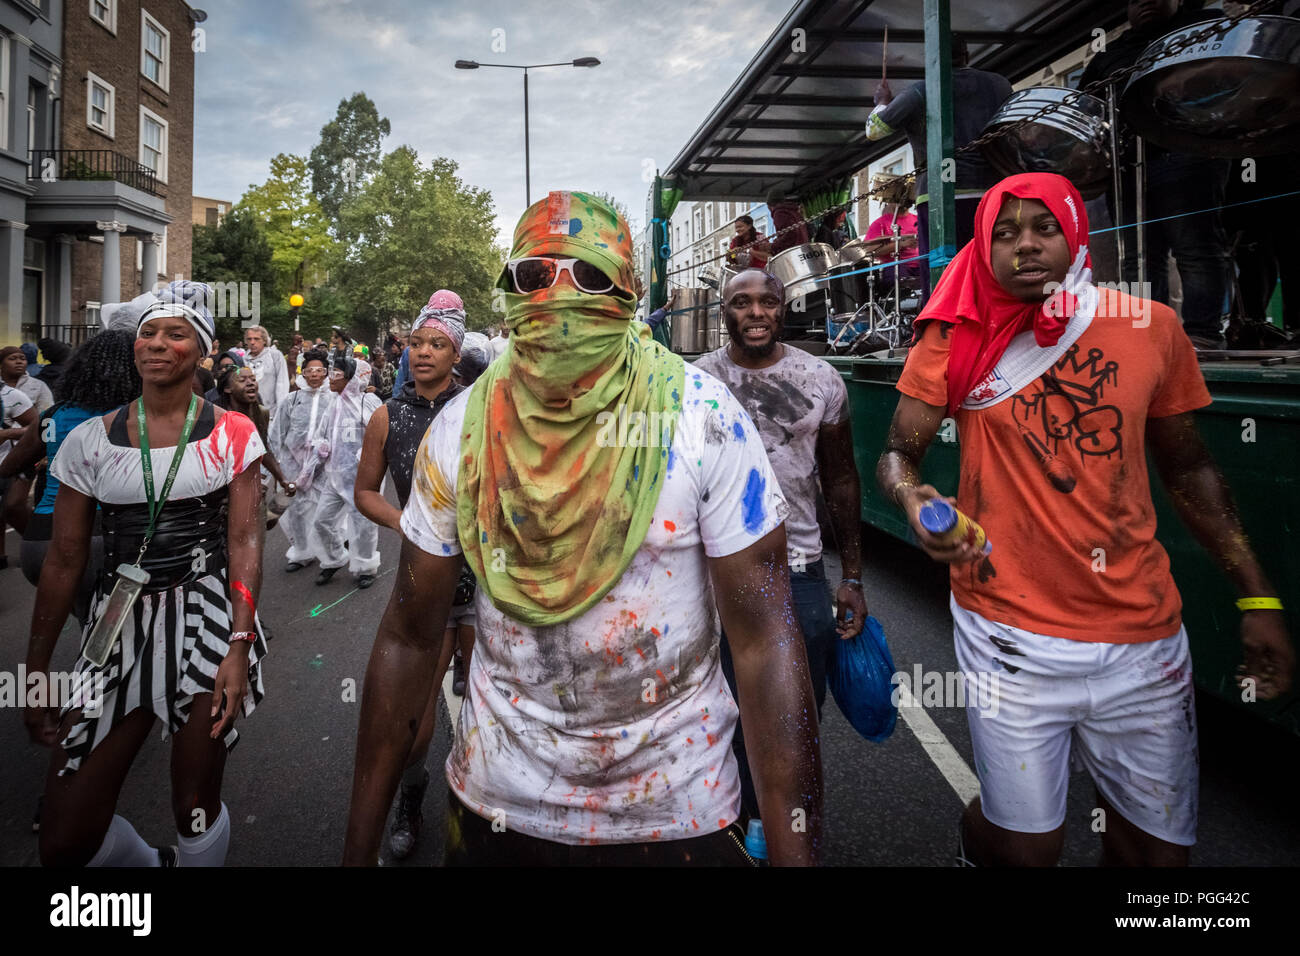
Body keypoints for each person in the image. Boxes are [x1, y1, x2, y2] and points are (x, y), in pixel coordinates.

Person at [343, 190, 823, 867]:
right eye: (535, 274)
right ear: (508, 289)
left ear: (627, 294)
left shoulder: (700, 418)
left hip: (679, 811)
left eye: (590, 274)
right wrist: (354, 850)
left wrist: (796, 850)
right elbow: (408, 636)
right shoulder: (461, 432)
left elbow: (766, 641)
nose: (560, 294)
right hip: (496, 808)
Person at [876, 172, 1294, 867]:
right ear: (984, 248)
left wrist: (1256, 595)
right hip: (1007, 629)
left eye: (1043, 228)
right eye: (1004, 234)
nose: (1026, 246)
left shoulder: (1150, 327)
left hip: (1144, 637)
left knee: (1155, 853)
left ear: (1075, 232)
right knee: (1025, 845)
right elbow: (896, 455)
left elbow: (1190, 470)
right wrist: (913, 497)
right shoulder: (956, 335)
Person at [25, 288, 269, 867]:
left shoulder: (231, 433)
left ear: (203, 353)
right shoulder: (89, 442)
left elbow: (243, 541)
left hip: (208, 619)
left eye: (176, 334)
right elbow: (64, 560)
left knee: (194, 801)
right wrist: (35, 671)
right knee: (64, 840)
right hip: (117, 622)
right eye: (148, 333)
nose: (158, 343)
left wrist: (239, 642)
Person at [695, 268, 867, 820]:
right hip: (714, 570)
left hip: (798, 567)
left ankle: (785, 824)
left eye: (767, 301)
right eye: (741, 303)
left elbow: (841, 479)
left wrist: (854, 578)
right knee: (723, 707)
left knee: (797, 709)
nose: (756, 313)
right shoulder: (697, 383)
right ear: (723, 312)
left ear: (782, 308)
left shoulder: (821, 380)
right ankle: (738, 821)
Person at [354, 294, 467, 860]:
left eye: (436, 344)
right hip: (425, 586)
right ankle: (411, 798)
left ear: (456, 353)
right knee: (414, 729)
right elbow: (364, 493)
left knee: (497, 712)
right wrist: (412, 524)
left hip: (489, 587)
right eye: (417, 343)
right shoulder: (386, 415)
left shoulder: (477, 411)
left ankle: (487, 818)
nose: (423, 352)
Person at [1078, 1, 1232, 349]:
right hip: (1128, 166)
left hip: (1188, 153)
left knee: (1194, 247)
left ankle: (1202, 334)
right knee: (1136, 256)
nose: (1146, 2)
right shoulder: (1114, 51)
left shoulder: (1204, 26)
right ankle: (1147, 334)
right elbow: (1085, 103)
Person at [2, 330, 140, 623]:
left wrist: (42, 463)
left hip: (39, 545)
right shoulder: (134, 417)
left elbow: (9, 467)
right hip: (102, 541)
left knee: (88, 625)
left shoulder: (55, 414)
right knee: (114, 637)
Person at [867, 37, 1012, 304]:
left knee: (942, 273)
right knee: (992, 267)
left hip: (938, 199)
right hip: (992, 195)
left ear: (931, 59)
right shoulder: (999, 84)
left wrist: (881, 102)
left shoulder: (921, 90)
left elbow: (874, 130)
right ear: (967, 54)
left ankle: (944, 330)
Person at [310, 356, 382, 588]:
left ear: (350, 378)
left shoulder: (367, 402)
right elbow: (321, 433)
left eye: (337, 373)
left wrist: (368, 453)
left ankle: (366, 567)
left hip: (362, 477)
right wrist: (321, 445)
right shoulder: (334, 404)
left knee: (363, 524)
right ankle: (333, 559)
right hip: (336, 475)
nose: (330, 377)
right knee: (322, 520)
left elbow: (382, 433)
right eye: (331, 372)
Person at [267, 349, 335, 574]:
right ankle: (302, 551)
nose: (315, 374)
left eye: (319, 370)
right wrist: (272, 468)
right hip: (292, 464)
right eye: (310, 370)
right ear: (303, 373)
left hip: (323, 465)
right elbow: (277, 433)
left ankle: (330, 551)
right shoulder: (291, 400)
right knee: (295, 509)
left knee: (324, 508)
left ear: (326, 373)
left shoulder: (334, 400)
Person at [215, 364, 295, 511]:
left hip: (248, 488)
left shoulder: (261, 413)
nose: (250, 382)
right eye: (242, 380)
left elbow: (262, 449)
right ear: (228, 389)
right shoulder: (218, 417)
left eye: (252, 378)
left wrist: (282, 479)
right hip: (219, 493)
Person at [0, 375, 38, 571]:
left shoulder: (10, 395)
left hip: (13, 461)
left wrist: (7, 434)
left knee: (12, 507)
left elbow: (38, 426)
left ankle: (39, 546)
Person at [866, 196, 923, 284]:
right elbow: (870, 251)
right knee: (898, 274)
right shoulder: (879, 224)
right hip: (895, 266)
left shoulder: (919, 220)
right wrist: (900, 244)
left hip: (921, 264)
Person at [242, 324, 290, 417]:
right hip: (248, 414)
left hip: (271, 413)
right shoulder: (242, 359)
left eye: (256, 339)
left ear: (264, 340)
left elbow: (282, 383)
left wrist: (281, 411)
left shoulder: (275, 355)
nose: (252, 342)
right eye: (249, 339)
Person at [2, 345, 55, 414]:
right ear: (1, 364)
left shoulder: (39, 386)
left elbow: (47, 415)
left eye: (23, 358)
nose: (19, 362)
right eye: (12, 358)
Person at [765, 188, 811, 257]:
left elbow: (790, 234)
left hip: (794, 253)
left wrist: (772, 246)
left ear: (769, 205)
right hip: (803, 250)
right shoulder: (794, 211)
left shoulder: (779, 213)